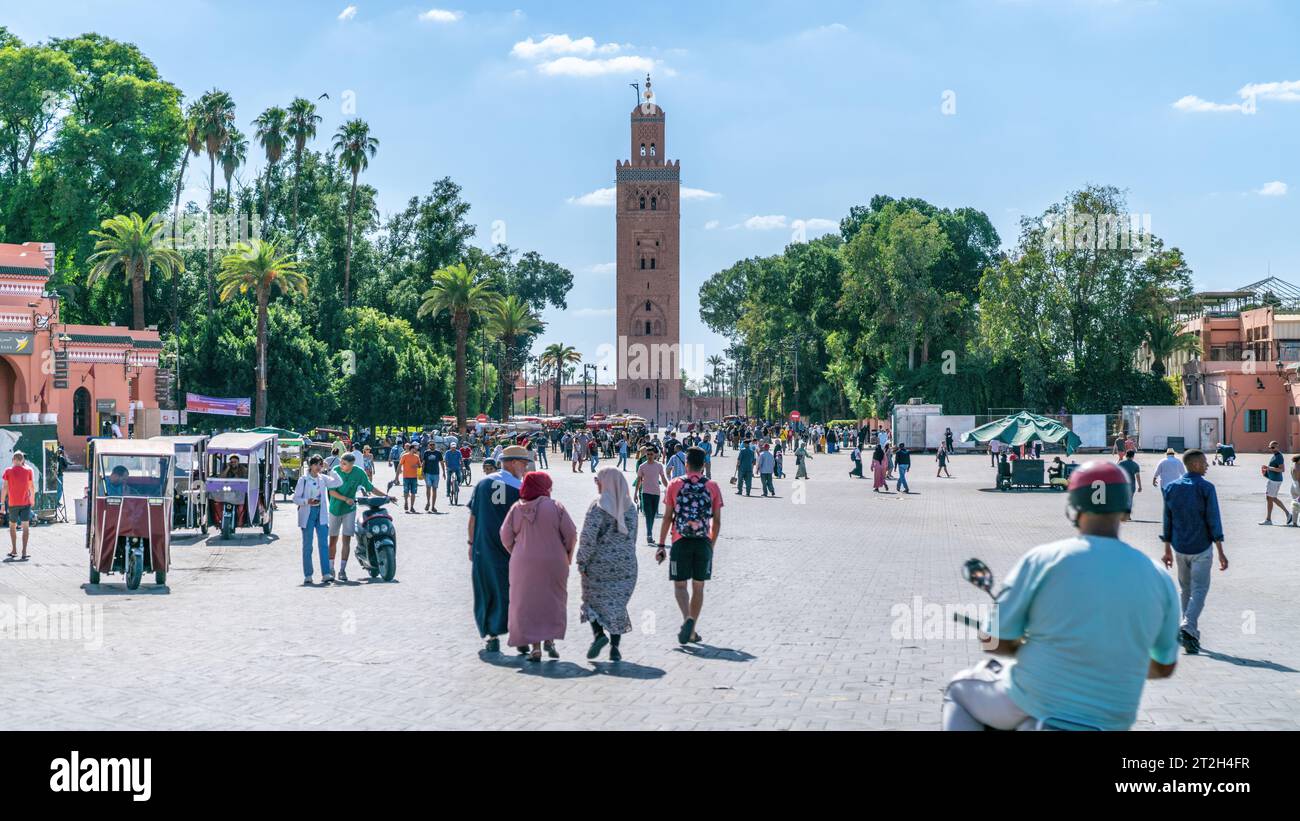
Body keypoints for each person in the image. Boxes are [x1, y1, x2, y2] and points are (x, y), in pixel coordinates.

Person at [942, 461, 1179, 731]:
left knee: (958, 690)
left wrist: (1021, 646)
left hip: (1037, 700)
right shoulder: (1159, 577)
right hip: (1114, 719)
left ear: (1073, 507)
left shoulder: (1044, 560)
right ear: (1125, 509)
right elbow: (1164, 666)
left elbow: (993, 640)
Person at [500, 471, 578, 662]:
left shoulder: (517, 509)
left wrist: (517, 552)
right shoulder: (556, 506)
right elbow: (571, 534)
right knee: (552, 600)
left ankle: (535, 647)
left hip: (523, 562)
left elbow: (505, 536)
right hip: (554, 560)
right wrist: (567, 554)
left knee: (528, 603)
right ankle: (549, 640)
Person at [1160, 449, 1228, 655]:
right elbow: (1213, 520)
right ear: (1196, 464)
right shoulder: (1206, 488)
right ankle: (1188, 626)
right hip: (1201, 547)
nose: (1207, 465)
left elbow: (1167, 520)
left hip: (1179, 547)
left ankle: (1190, 632)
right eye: (1205, 462)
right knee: (1199, 589)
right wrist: (1221, 551)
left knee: (1185, 589)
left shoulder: (1171, 487)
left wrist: (1167, 550)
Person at [656, 447, 723, 645]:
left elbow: (668, 517)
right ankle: (692, 629)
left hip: (680, 541)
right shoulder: (712, 486)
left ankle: (687, 620)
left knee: (680, 585)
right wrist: (711, 544)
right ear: (704, 465)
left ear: (686, 464)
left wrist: (661, 544)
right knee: (699, 586)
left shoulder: (675, 484)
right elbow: (717, 521)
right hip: (703, 542)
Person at [468, 446, 530, 654]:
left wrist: (470, 543)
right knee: (516, 591)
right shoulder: (521, 490)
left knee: (487, 590)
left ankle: (492, 636)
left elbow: (473, 516)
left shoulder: (483, 483)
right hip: (513, 549)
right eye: (523, 464)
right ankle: (520, 635)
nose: (525, 468)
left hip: (484, 547)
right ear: (512, 463)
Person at [577, 467, 639, 662]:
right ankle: (614, 648)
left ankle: (599, 635)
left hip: (599, 566)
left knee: (592, 601)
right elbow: (634, 537)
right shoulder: (631, 508)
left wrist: (582, 562)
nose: (597, 484)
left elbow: (588, 538)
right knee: (617, 605)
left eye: (598, 481)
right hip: (626, 566)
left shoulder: (598, 507)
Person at [327, 453, 382, 582]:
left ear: (352, 465)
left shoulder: (359, 473)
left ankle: (342, 570)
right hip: (335, 509)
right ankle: (330, 569)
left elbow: (370, 488)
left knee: (347, 540)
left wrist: (386, 496)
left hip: (349, 510)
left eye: (345, 464)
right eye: (341, 463)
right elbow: (331, 492)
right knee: (333, 541)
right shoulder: (335, 471)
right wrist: (345, 498)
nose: (342, 466)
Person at [294, 455, 341, 585]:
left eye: (320, 464)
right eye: (316, 464)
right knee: (307, 546)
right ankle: (308, 575)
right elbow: (295, 498)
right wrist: (306, 501)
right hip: (307, 513)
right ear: (310, 465)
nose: (319, 467)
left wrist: (330, 468)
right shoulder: (303, 479)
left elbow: (338, 482)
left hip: (321, 513)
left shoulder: (323, 478)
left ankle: (326, 573)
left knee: (323, 544)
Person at [3, 451, 35, 560]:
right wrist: (32, 500)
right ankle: (24, 552)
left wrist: (2, 504)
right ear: (22, 461)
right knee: (25, 527)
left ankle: (14, 550)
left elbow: (5, 488)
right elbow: (32, 487)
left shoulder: (8, 471)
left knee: (12, 526)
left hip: (13, 504)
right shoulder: (29, 471)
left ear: (13, 460)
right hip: (25, 503)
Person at [636, 448, 667, 546]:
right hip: (645, 493)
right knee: (648, 514)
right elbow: (639, 480)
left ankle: (649, 533)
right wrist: (635, 493)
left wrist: (670, 488)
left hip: (656, 493)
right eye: (648, 454)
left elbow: (663, 478)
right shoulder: (642, 466)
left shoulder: (659, 466)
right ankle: (649, 535)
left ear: (655, 455)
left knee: (653, 515)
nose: (649, 456)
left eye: (651, 454)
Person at [1261, 440, 1291, 525]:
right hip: (1273, 479)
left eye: (1273, 447)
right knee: (1271, 498)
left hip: (1275, 481)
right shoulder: (1275, 455)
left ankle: (1269, 519)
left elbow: (1282, 469)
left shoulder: (1279, 456)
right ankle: (1287, 514)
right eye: (1270, 448)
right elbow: (1274, 468)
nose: (1271, 449)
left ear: (1277, 447)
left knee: (1270, 498)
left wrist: (1269, 468)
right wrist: (1266, 472)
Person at [1117, 449, 1141, 520]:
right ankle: (1128, 515)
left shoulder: (1120, 463)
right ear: (1133, 456)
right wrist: (1140, 486)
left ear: (1126, 455)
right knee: (1129, 500)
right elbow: (1137, 476)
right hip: (1131, 485)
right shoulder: (1136, 465)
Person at [398, 443, 422, 514]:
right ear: (412, 449)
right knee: (406, 491)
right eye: (415, 448)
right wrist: (398, 474)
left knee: (413, 493)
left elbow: (420, 466)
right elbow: (400, 464)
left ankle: (412, 506)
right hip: (406, 477)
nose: (416, 450)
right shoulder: (404, 456)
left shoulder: (417, 456)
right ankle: (406, 502)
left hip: (414, 477)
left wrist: (417, 466)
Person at [422, 441, 442, 513]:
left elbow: (441, 462)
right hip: (428, 473)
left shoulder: (438, 453)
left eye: (433, 445)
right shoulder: (426, 453)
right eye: (431, 445)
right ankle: (428, 502)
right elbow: (423, 462)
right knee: (428, 488)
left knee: (434, 490)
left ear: (435, 445)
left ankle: (433, 506)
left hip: (436, 473)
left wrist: (444, 472)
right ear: (428, 446)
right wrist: (422, 472)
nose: (432, 446)